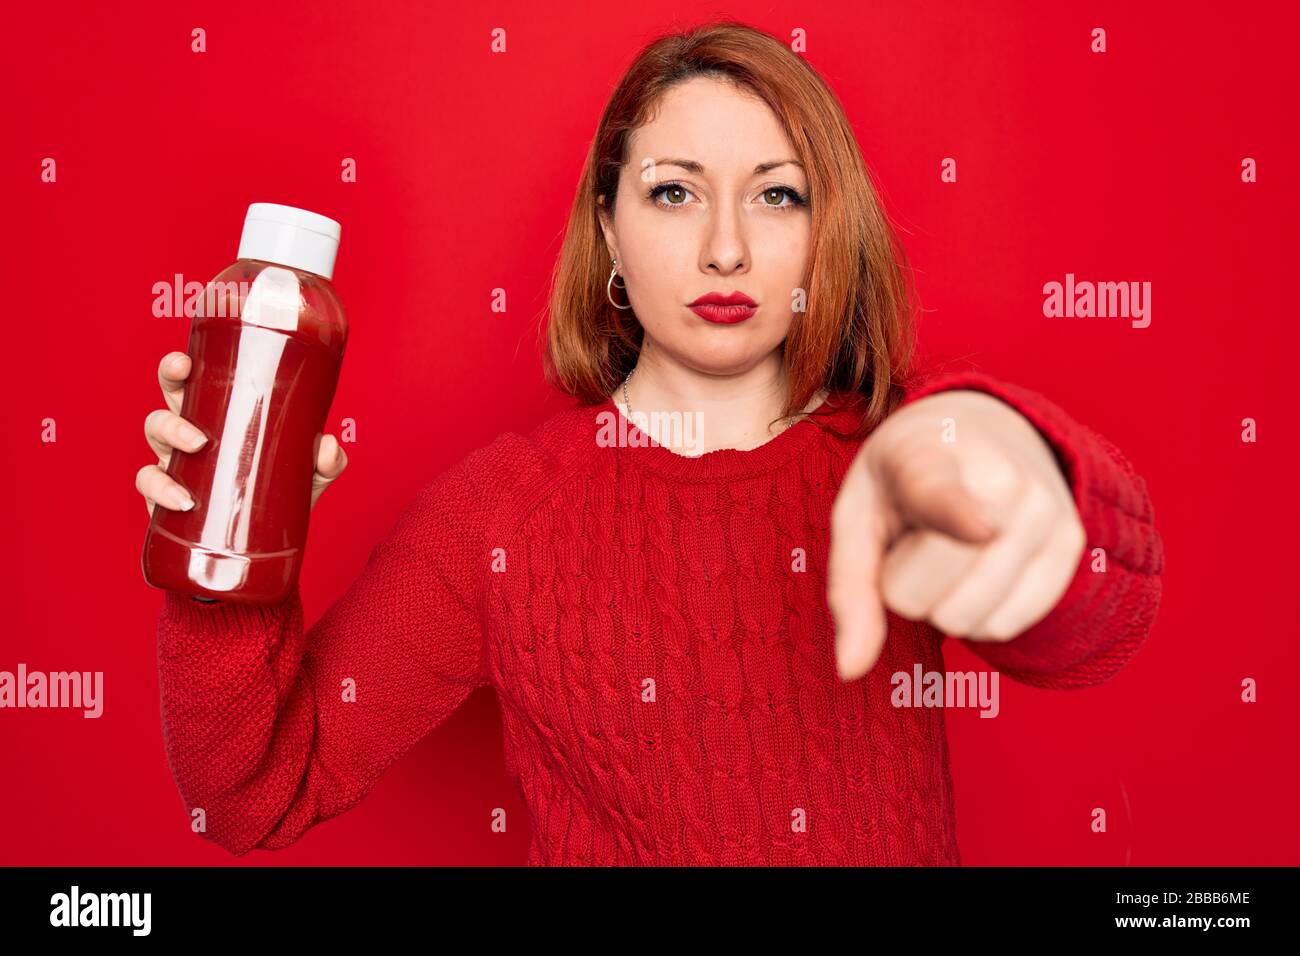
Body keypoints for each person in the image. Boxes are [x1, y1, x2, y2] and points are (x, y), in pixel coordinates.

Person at [138, 20, 1163, 865]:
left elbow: (1100, 621)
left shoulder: (899, 458)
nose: (725, 245)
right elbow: (251, 793)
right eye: (674, 191)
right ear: (611, 227)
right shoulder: (498, 515)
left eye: (777, 192)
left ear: (826, 230)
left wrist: (1021, 453)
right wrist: (221, 567)